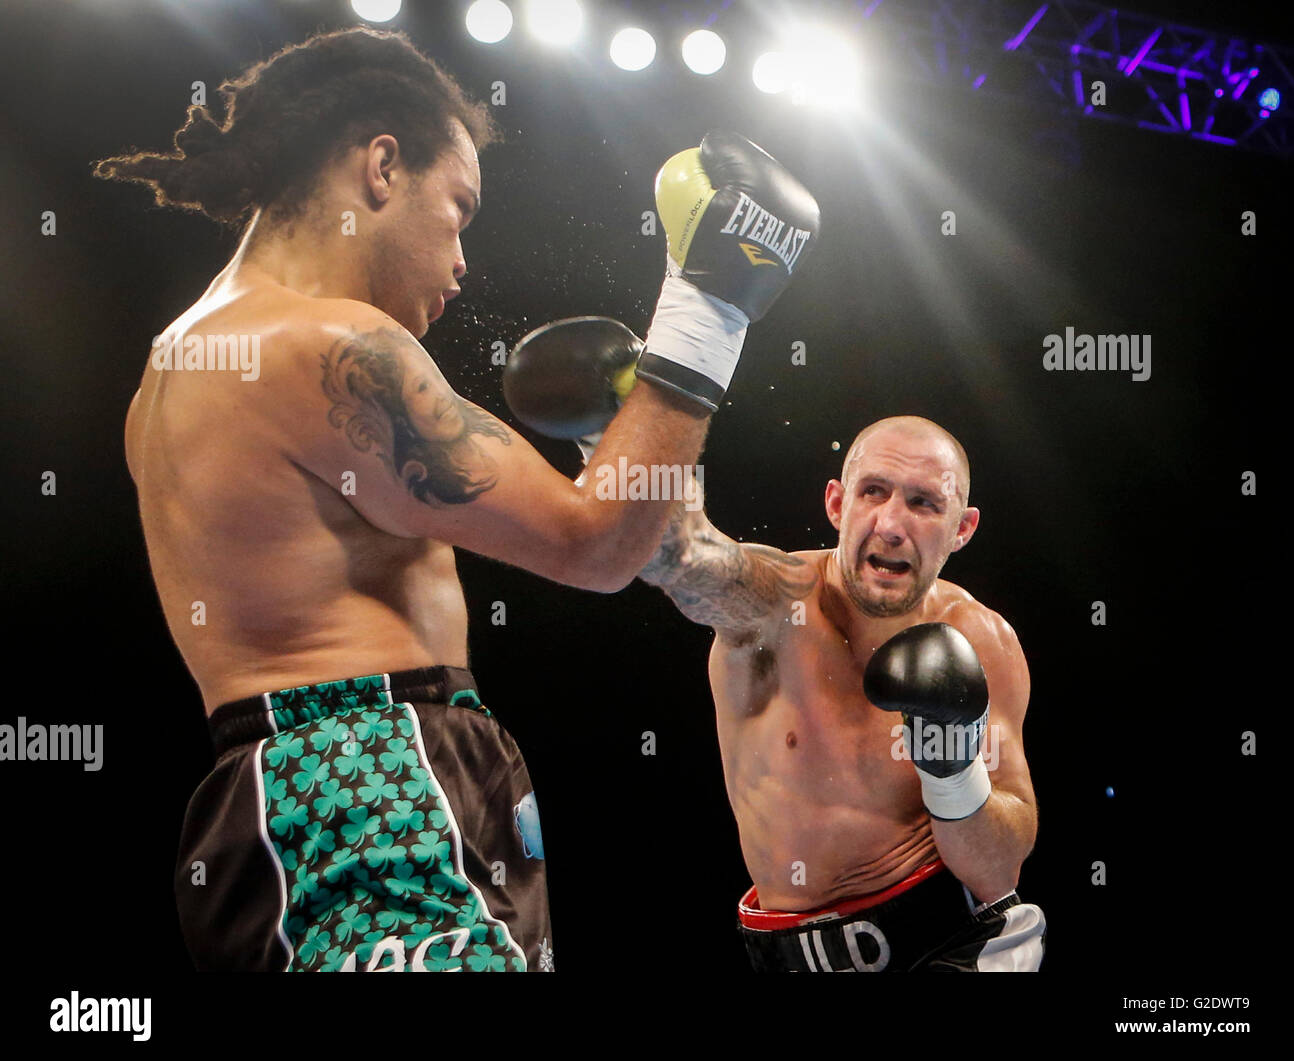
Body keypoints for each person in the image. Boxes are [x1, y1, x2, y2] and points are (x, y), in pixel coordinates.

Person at [96, 27, 817, 971]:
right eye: (460, 209)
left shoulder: (174, 368)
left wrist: (625, 441)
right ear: (383, 166)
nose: (464, 258)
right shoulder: (325, 346)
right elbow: (596, 544)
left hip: (291, 793)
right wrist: (710, 302)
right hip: (369, 775)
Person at [638, 415, 1046, 971]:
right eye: (873, 491)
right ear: (837, 504)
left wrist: (953, 769)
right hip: (785, 954)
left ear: (962, 529)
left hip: (956, 941)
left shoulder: (982, 640)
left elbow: (999, 871)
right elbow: (679, 553)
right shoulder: (772, 605)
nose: (892, 525)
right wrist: (634, 419)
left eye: (925, 503)